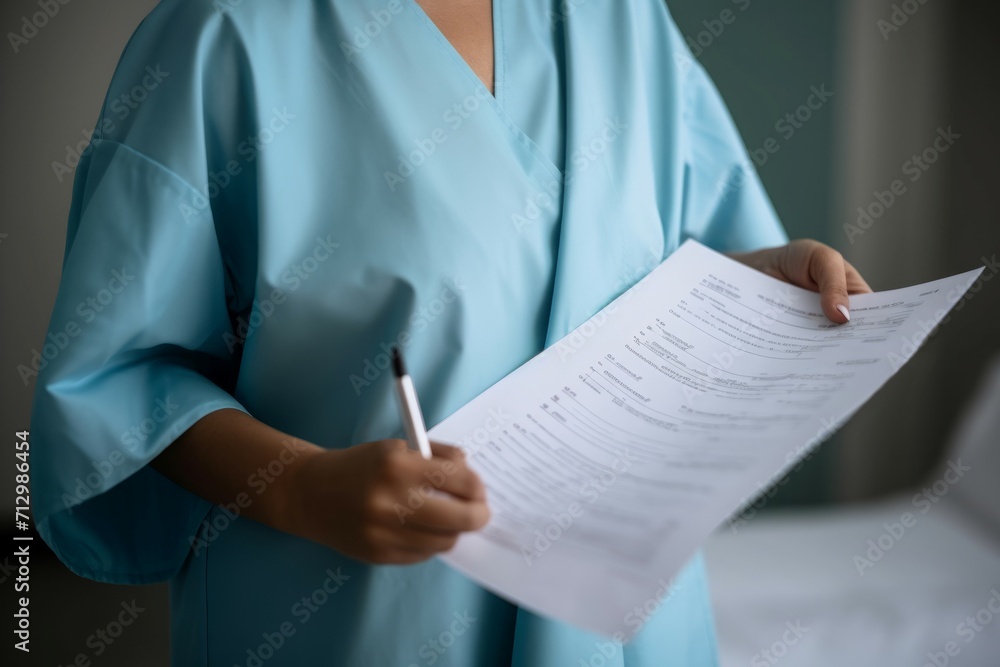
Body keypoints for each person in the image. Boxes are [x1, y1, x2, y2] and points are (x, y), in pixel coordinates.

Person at [31, 0, 871, 664]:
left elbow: (674, 267)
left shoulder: (624, 21)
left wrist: (762, 275)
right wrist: (301, 488)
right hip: (353, 619)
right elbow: (122, 379)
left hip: (631, 619)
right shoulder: (225, 35)